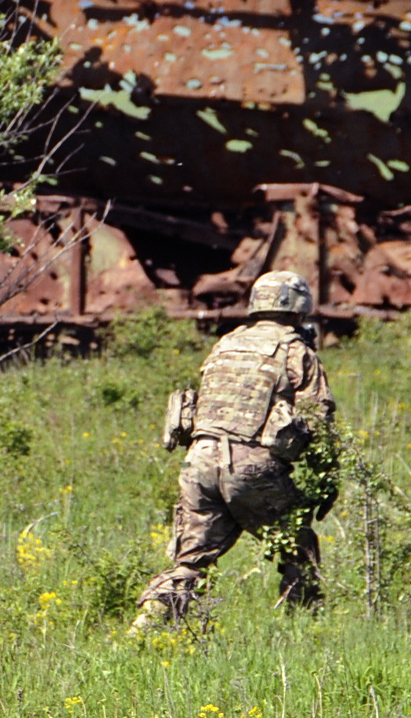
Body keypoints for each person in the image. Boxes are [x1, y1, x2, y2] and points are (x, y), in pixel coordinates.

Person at [132, 271, 335, 632]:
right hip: (252, 466)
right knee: (299, 546)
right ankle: (303, 631)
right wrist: (326, 478)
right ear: (298, 311)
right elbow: (318, 420)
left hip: (199, 462)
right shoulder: (296, 352)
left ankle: (141, 632)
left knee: (189, 562)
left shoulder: (225, 344)